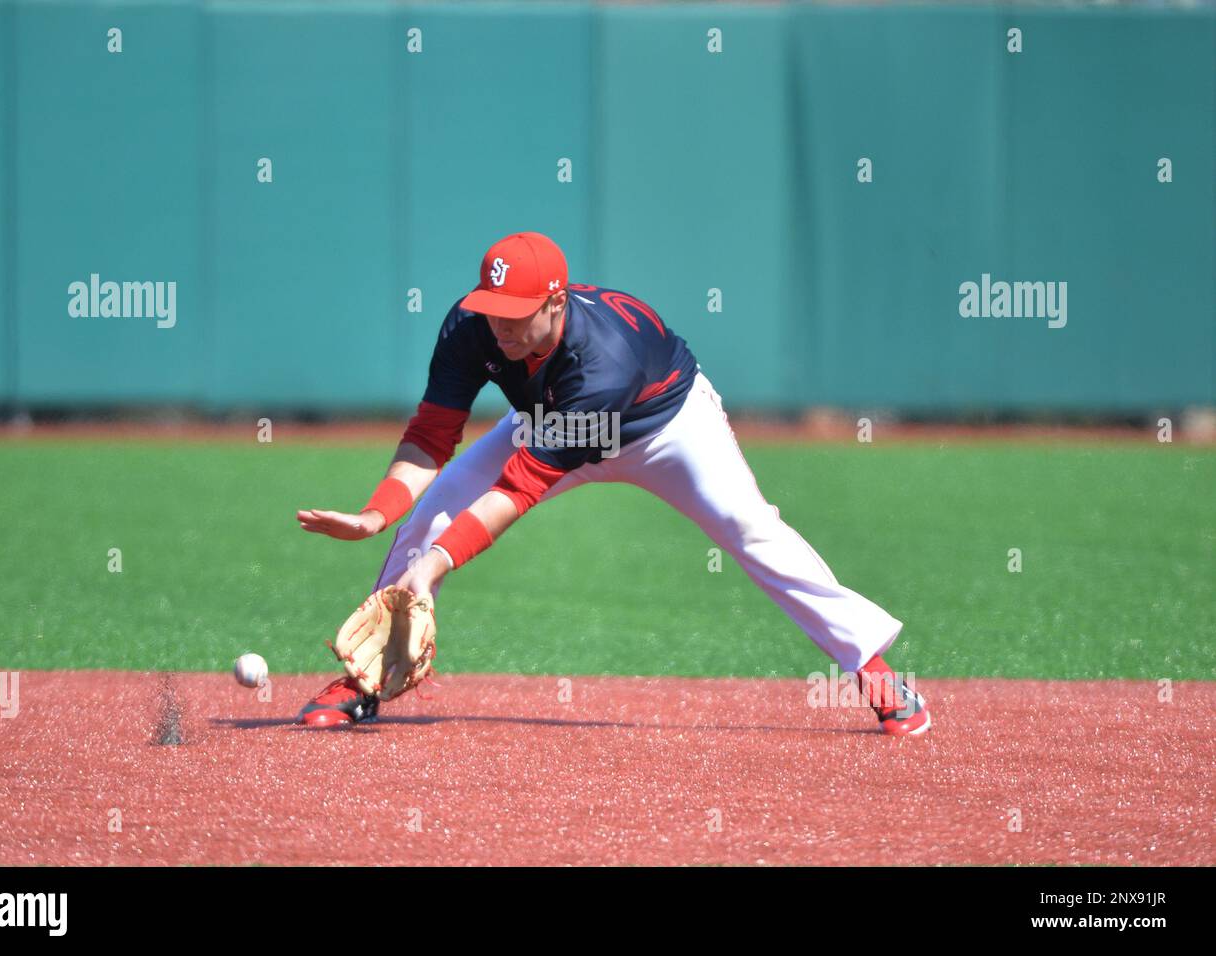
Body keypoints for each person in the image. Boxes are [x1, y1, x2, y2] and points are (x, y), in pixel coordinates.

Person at [295, 231, 930, 735]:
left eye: (516, 315)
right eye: (493, 312)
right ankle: (362, 683)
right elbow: (433, 434)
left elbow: (516, 491)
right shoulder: (472, 325)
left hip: (665, 427)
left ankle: (870, 666)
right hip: (550, 421)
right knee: (430, 513)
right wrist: (378, 515)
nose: (501, 327)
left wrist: (430, 571)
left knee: (749, 528)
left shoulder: (602, 362)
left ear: (556, 301)